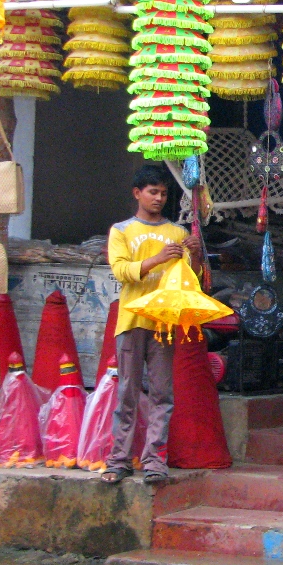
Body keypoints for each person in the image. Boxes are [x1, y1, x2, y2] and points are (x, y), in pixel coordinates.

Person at [101, 165, 201, 485]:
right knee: (127, 392)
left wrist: (196, 256)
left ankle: (155, 460)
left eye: (163, 193)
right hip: (131, 319)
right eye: (152, 192)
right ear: (137, 194)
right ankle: (119, 459)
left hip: (163, 322)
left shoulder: (179, 233)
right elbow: (121, 271)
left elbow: (191, 279)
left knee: (161, 393)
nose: (158, 198)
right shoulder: (122, 230)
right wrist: (157, 259)